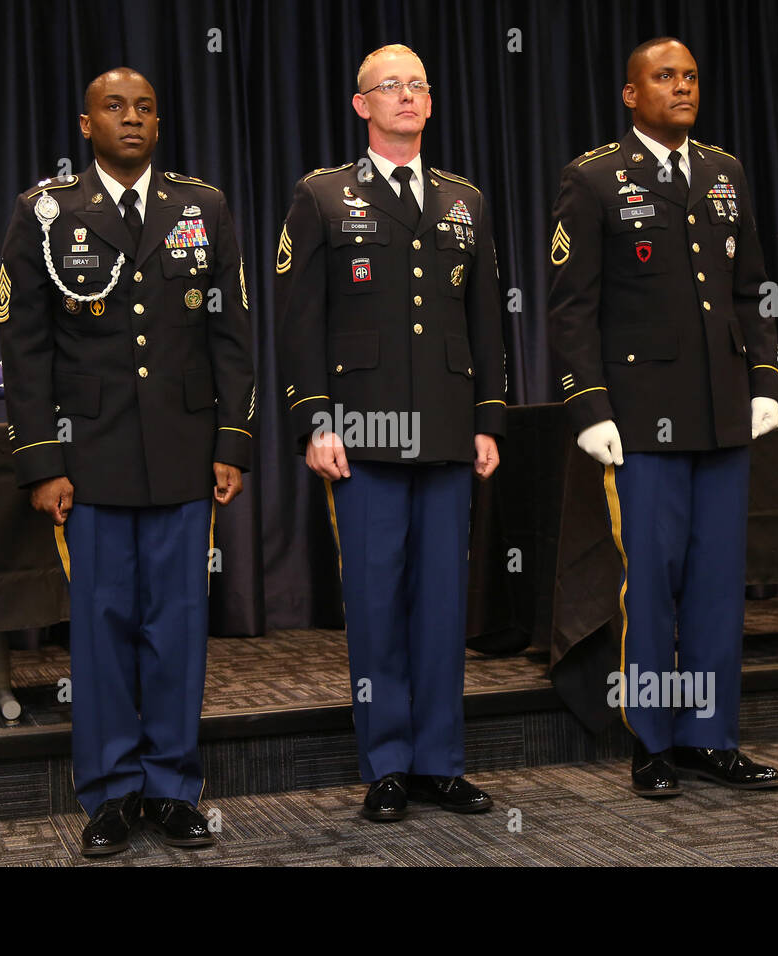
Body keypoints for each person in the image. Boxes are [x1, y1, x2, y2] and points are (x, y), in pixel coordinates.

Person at [0, 67, 255, 853]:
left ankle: (173, 788)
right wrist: (42, 462)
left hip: (182, 456)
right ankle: (109, 794)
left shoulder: (201, 206)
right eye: (115, 107)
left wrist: (232, 444)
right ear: (86, 124)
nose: (132, 118)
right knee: (102, 634)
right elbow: (25, 344)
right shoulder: (46, 212)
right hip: (92, 459)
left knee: (177, 629)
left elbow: (232, 335)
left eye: (144, 107)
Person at [274, 44, 507, 822]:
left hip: (445, 429)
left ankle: (440, 761)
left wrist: (488, 420)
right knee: (376, 606)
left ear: (431, 104)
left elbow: (484, 323)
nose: (405, 96)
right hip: (362, 433)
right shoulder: (322, 195)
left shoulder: (464, 199)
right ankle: (386, 766)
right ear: (360, 105)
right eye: (389, 86)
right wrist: (314, 418)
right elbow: (300, 322)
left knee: (442, 606)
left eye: (417, 85)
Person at [547, 38, 778, 798]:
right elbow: (572, 308)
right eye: (663, 77)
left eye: (689, 76)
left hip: (722, 415)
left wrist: (766, 383)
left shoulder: (724, 172)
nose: (681, 87)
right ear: (630, 94)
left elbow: (750, 289)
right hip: (642, 420)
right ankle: (651, 742)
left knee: (716, 586)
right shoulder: (593, 179)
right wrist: (589, 405)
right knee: (649, 586)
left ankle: (708, 739)